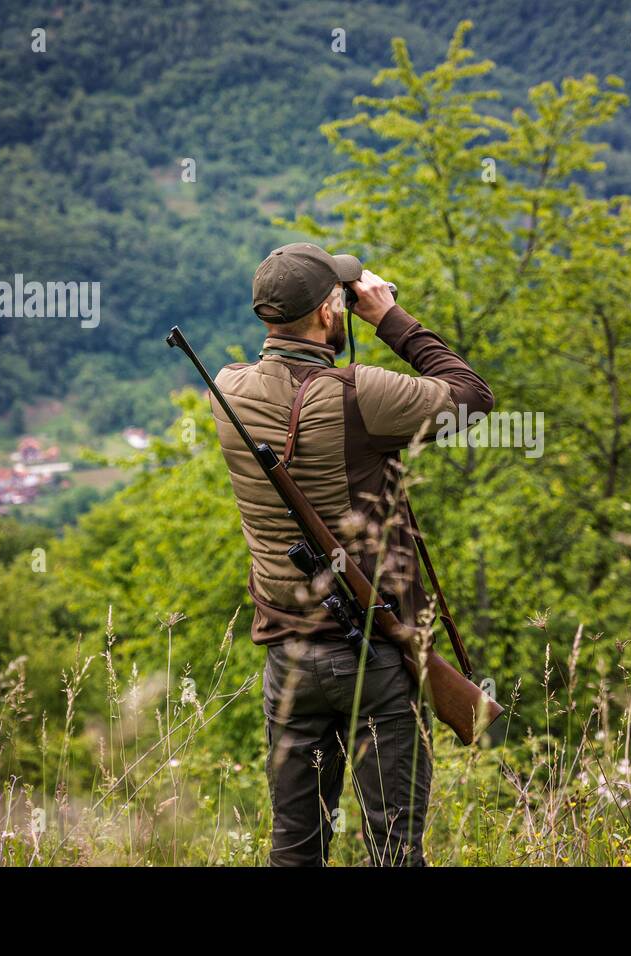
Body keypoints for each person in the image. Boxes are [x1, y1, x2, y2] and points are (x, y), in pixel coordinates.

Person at [208, 242, 494, 865]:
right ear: (327, 312)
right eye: (339, 297)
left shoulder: (226, 392)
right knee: (393, 851)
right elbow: (472, 396)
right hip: (373, 660)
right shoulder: (362, 395)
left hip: (288, 662)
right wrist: (389, 317)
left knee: (295, 850)